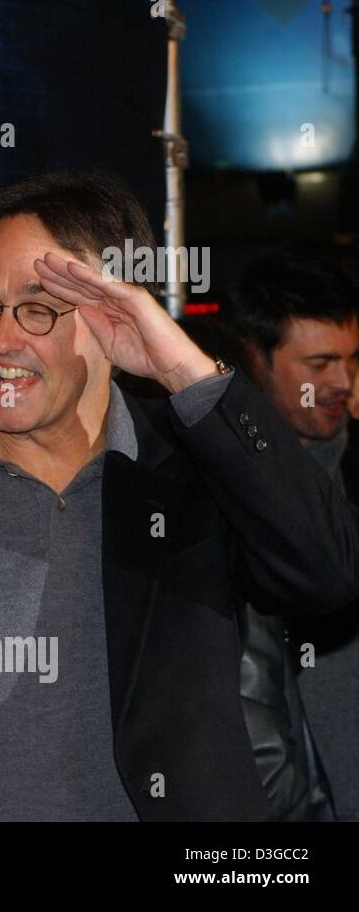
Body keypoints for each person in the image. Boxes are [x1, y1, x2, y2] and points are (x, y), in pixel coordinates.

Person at [0, 170, 359, 821]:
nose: (2, 341)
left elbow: (328, 573)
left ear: (111, 315)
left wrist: (180, 367)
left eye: (36, 309)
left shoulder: (207, 486)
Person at [220, 250, 359, 820]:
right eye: (319, 364)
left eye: (352, 361)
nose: (341, 384)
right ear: (256, 358)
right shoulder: (221, 478)